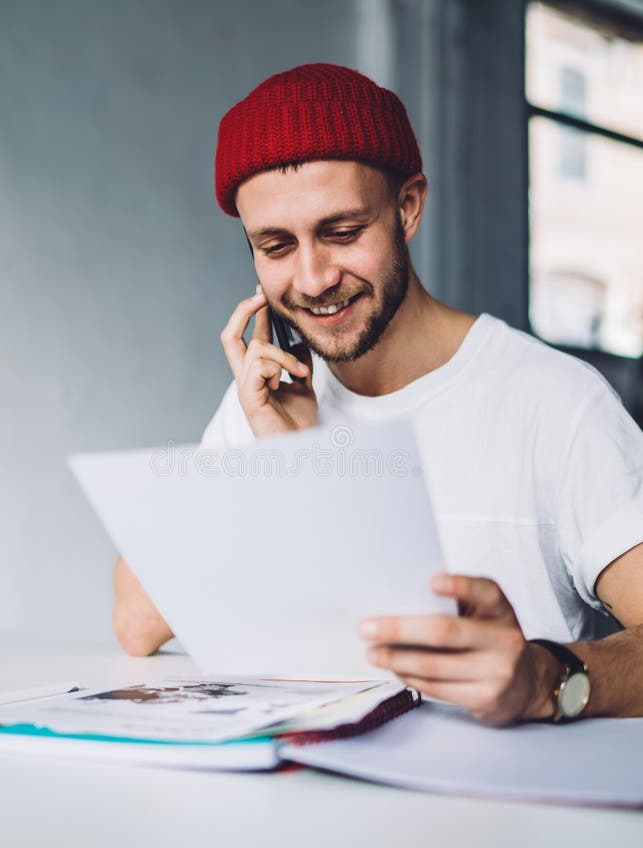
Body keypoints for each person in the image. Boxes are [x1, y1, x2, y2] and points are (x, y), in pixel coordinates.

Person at [112, 63, 643, 724]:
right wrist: (287, 459)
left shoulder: (555, 402)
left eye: (341, 233)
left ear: (407, 207)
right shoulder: (270, 394)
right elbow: (136, 622)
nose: (312, 279)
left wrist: (542, 678)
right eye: (276, 246)